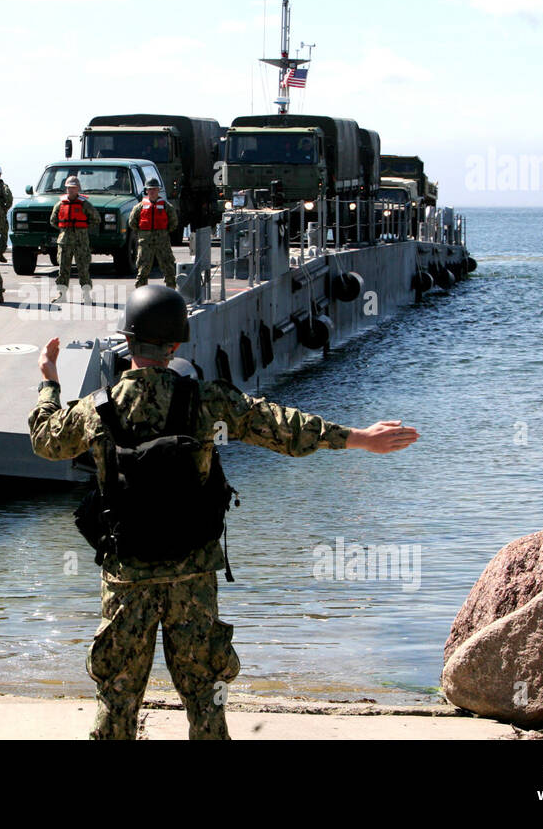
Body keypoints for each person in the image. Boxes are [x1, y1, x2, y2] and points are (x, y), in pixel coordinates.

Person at [27, 285, 419, 740]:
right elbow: (278, 426)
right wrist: (358, 437)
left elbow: (44, 440)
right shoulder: (206, 400)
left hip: (127, 576)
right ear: (176, 344)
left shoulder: (97, 409)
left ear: (127, 343)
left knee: (116, 700)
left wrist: (48, 381)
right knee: (205, 701)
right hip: (192, 574)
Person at [49, 175, 99, 304]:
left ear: (78, 189)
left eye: (73, 188)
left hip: (81, 242)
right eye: (68, 188)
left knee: (83, 268)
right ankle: (62, 295)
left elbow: (96, 219)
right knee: (63, 268)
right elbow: (53, 221)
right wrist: (64, 229)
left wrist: (82, 229)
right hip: (64, 241)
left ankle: (87, 295)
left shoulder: (85, 204)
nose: (70, 190)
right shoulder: (60, 204)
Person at [129, 177, 179, 288]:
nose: (152, 191)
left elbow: (173, 223)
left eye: (154, 189)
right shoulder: (139, 207)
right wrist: (143, 233)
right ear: (146, 191)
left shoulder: (167, 207)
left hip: (162, 242)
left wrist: (163, 233)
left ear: (158, 190)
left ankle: (171, 293)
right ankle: (140, 294)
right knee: (143, 270)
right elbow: (132, 222)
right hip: (145, 243)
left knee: (168, 268)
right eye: (150, 189)